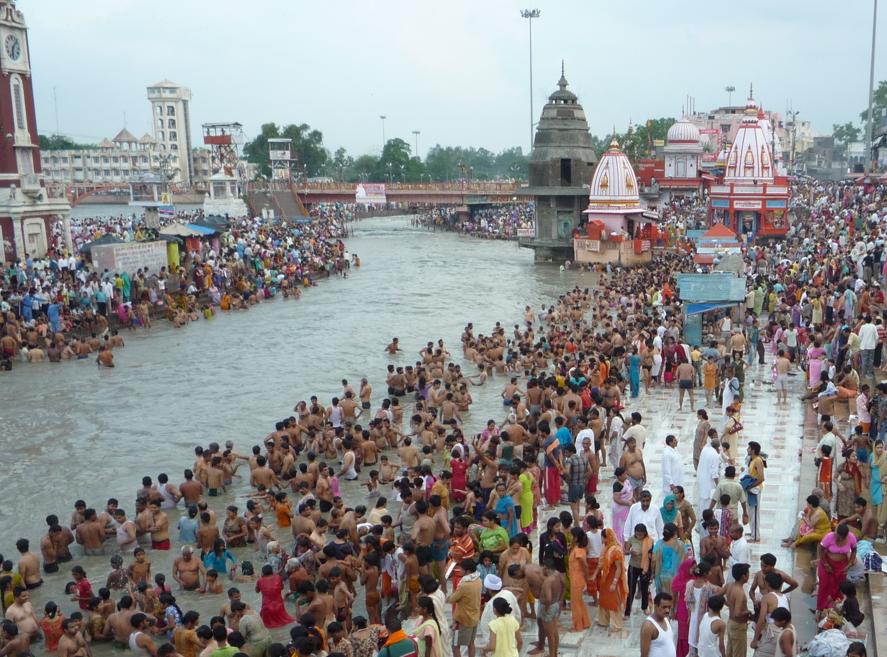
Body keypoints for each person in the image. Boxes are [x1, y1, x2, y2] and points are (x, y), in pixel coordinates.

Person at [815, 524, 857, 613]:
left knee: (839, 587)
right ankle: (820, 609)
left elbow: (854, 550)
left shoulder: (851, 538)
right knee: (824, 586)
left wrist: (850, 563)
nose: (838, 539)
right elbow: (821, 549)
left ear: (845, 536)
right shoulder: (829, 537)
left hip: (842, 566)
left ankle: (834, 609)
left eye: (840, 537)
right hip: (826, 564)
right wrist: (826, 564)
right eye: (837, 536)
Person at [596, 528, 627, 633]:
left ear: (606, 537)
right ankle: (603, 621)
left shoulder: (616, 550)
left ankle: (616, 624)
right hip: (606, 578)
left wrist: (614, 582)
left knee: (613, 601)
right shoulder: (606, 548)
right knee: (604, 599)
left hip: (613, 579)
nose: (601, 539)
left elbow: (619, 568)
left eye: (602, 537)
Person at [567, 528, 591, 630]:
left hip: (577, 580)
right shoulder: (577, 548)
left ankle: (578, 625)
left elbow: (585, 566)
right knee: (579, 601)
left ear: (576, 538)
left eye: (572, 536)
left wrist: (587, 578)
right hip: (575, 579)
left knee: (575, 603)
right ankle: (585, 622)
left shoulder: (579, 551)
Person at [640, 593, 676, 657]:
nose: (667, 610)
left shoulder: (666, 619)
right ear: (656, 606)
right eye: (664, 607)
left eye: (669, 607)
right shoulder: (648, 626)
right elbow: (644, 655)